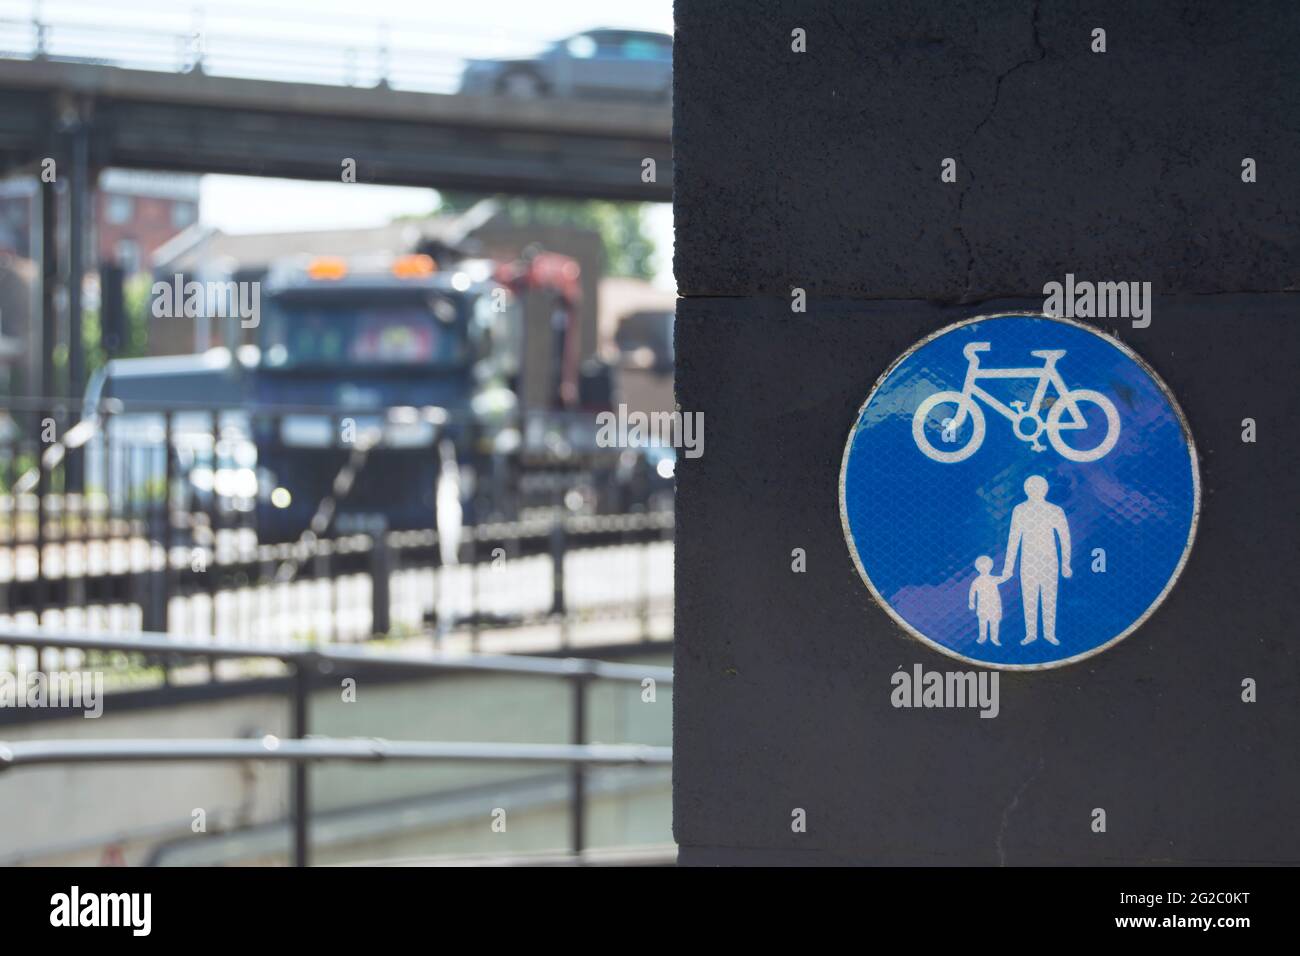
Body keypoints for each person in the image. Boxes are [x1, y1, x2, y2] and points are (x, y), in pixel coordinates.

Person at [1000, 475, 1072, 646]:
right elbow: (1014, 539)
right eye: (1032, 488)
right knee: (1029, 597)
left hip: (1049, 559)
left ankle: (1050, 634)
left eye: (1038, 487)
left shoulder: (1055, 510)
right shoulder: (1020, 510)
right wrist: (1008, 567)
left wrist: (1065, 564)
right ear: (1027, 490)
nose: (1035, 491)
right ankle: (1030, 634)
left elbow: (1064, 538)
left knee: (1049, 596)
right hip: (1028, 560)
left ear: (1045, 489)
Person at [968, 555, 1004, 646]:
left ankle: (994, 638)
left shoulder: (993, 579)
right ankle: (982, 637)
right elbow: (972, 592)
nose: (984, 569)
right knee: (982, 621)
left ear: (990, 567)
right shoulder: (976, 581)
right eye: (981, 567)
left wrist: (1008, 574)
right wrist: (971, 603)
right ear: (978, 568)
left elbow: (1003, 579)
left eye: (986, 567)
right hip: (983, 606)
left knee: (994, 622)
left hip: (994, 605)